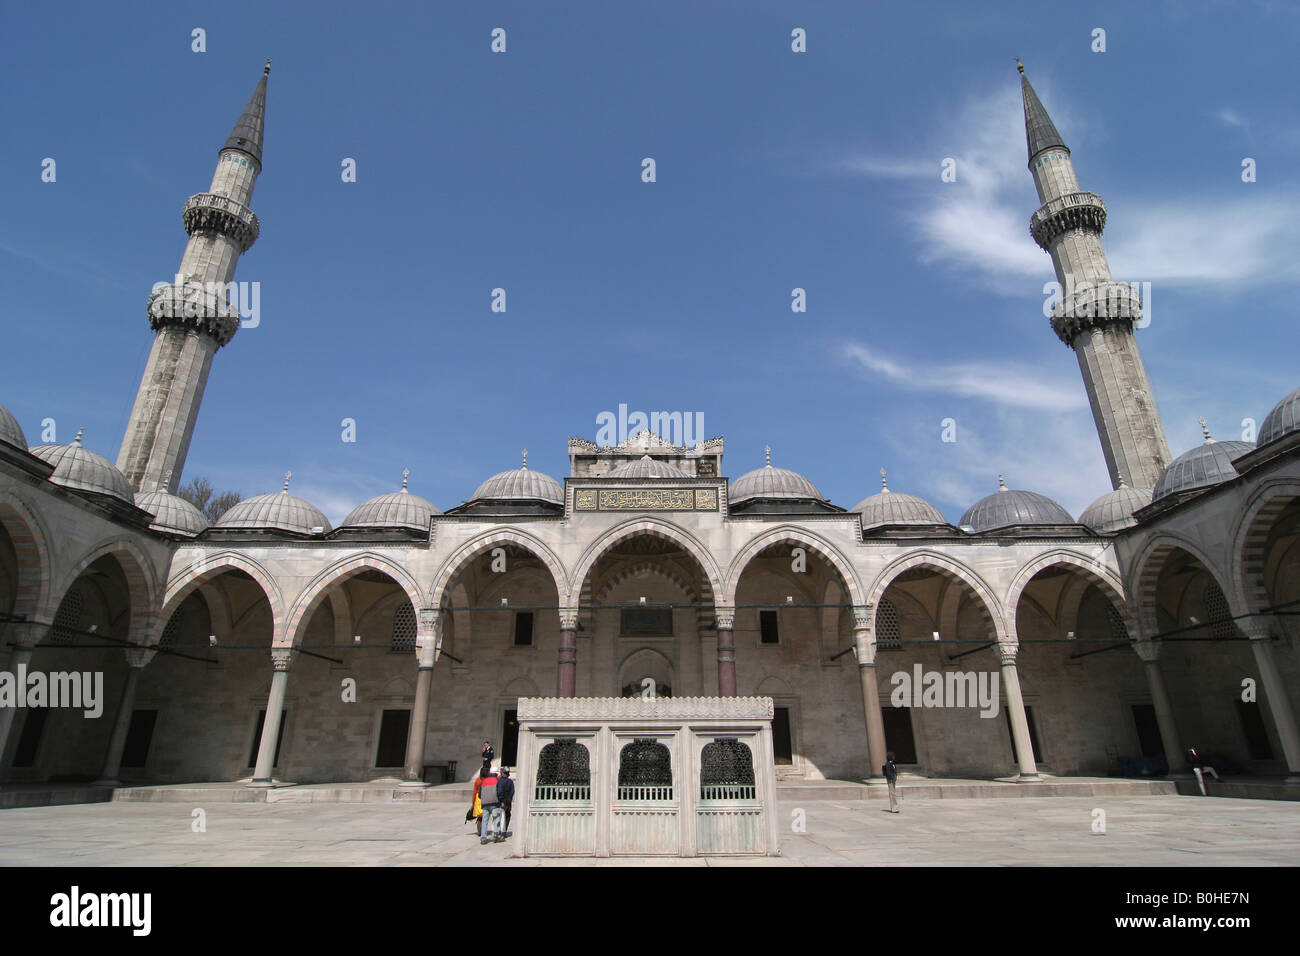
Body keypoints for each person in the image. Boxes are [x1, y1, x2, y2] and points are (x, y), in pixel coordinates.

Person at [478, 764, 505, 844]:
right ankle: (496, 836)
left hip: (485, 804)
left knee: (485, 821)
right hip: (495, 803)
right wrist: (501, 801)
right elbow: (499, 793)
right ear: (496, 774)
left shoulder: (484, 781)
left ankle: (483, 838)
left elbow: (479, 795)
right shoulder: (497, 781)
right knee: (496, 819)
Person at [497, 766, 515, 840]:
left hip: (501, 802)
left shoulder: (500, 781)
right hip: (508, 802)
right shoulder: (510, 782)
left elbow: (499, 792)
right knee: (507, 816)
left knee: (500, 816)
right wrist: (509, 800)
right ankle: (504, 832)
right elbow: (512, 792)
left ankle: (499, 831)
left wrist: (501, 801)